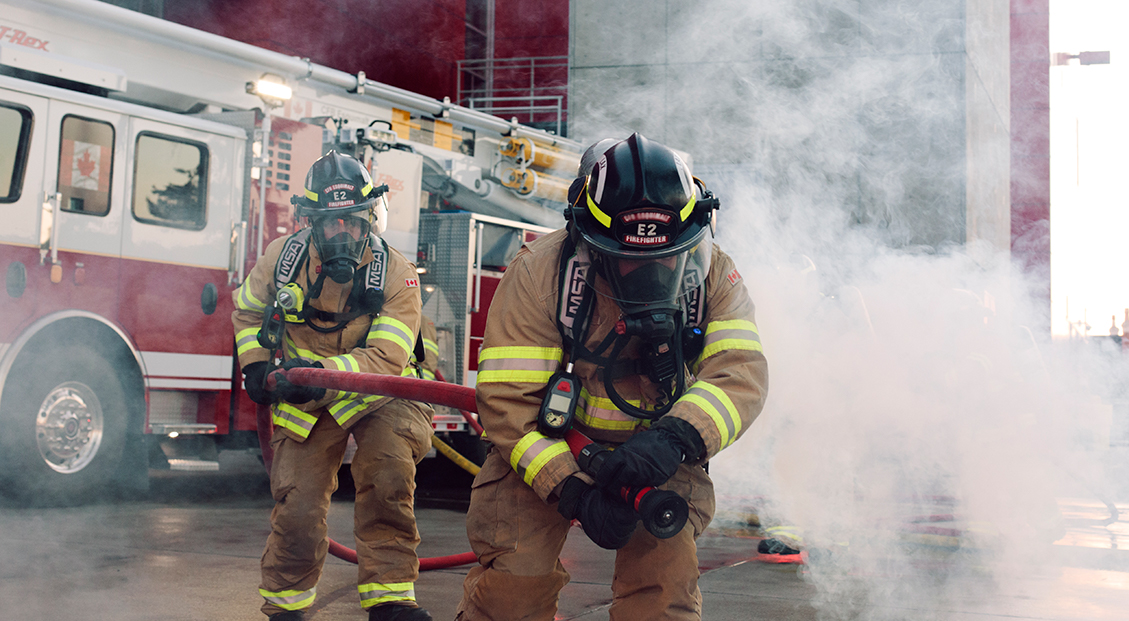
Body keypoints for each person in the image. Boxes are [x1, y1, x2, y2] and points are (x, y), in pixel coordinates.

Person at [455, 133, 769, 620]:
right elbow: (509, 405)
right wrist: (572, 490)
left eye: (668, 255)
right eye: (630, 257)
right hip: (548, 447)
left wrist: (676, 437)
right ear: (590, 237)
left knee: (664, 592)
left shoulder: (711, 274)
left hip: (659, 454)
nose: (652, 271)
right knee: (513, 591)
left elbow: (739, 375)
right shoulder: (542, 274)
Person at [232, 151, 434, 621]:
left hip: (381, 393)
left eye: (353, 222)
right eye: (331, 224)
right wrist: (257, 365)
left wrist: (314, 379)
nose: (343, 233)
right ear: (313, 223)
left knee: (387, 478)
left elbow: (385, 360)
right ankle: (286, 605)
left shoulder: (398, 274)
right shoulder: (283, 260)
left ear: (370, 219)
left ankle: (390, 600)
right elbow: (246, 310)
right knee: (297, 506)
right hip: (304, 391)